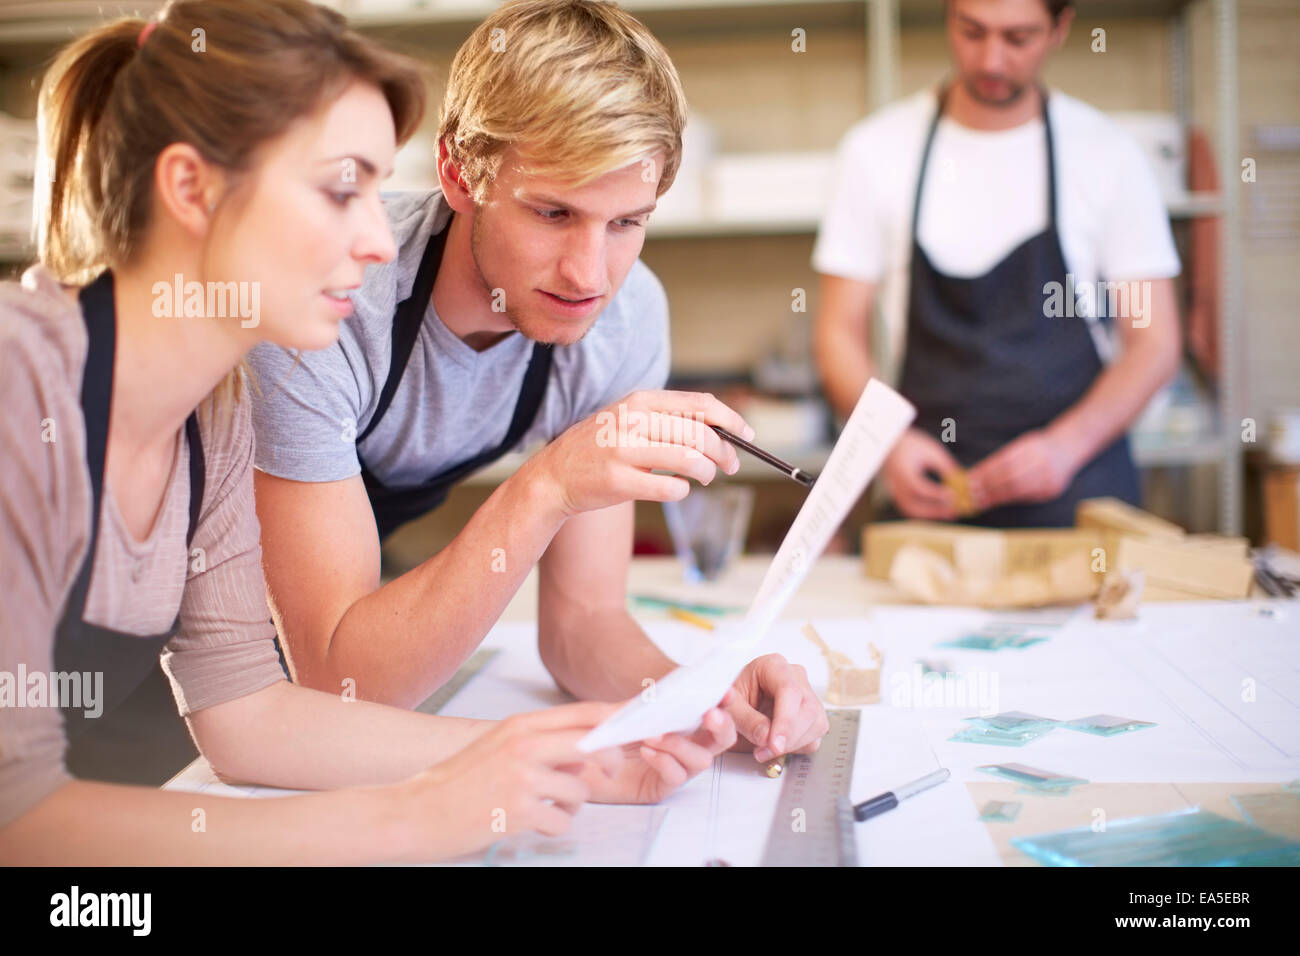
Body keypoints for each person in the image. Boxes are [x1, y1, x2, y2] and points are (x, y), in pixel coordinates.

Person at [0, 0, 733, 866]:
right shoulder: (21, 385)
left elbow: (249, 716)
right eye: (341, 189)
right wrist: (409, 819)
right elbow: (21, 820)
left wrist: (588, 754)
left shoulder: (215, 414)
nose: (386, 238)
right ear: (193, 189)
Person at [248, 0, 829, 764]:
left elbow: (583, 626)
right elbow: (341, 681)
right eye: (554, 212)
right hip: (158, 631)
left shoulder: (624, 320)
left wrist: (704, 696)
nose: (590, 276)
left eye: (627, 223)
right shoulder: (327, 301)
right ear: (458, 172)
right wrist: (547, 483)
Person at [813, 0, 1182, 527]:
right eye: (972, 31)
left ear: (1060, 28)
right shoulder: (876, 152)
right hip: (931, 496)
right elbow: (837, 333)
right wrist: (887, 443)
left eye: (1018, 38)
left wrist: (1062, 448)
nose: (990, 60)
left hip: (1080, 500)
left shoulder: (1109, 156)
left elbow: (1154, 341)